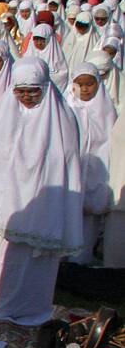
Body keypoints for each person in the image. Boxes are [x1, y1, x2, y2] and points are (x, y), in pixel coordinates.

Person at [0, 58, 83, 324]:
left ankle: (29, 309)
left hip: (41, 209)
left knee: (31, 268)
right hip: (3, 211)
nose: (26, 97)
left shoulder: (62, 120)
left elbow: (65, 167)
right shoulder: (2, 116)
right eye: (21, 91)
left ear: (45, 87)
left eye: (33, 91)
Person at [67, 62, 117, 264]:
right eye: (80, 84)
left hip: (97, 174)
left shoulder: (106, 111)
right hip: (73, 171)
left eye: (90, 84)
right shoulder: (68, 108)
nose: (85, 89)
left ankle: (82, 261)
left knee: (89, 221)